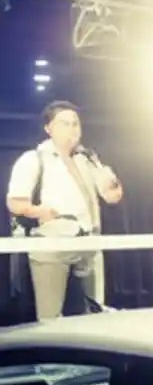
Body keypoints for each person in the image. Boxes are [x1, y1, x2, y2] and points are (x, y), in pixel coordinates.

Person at [5, 100, 123, 321]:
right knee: (50, 316)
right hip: (52, 244)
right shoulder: (34, 159)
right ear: (48, 128)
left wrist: (109, 178)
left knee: (94, 311)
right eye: (64, 124)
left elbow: (112, 197)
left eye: (75, 123)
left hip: (89, 242)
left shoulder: (87, 159)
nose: (72, 129)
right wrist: (40, 211)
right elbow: (15, 202)